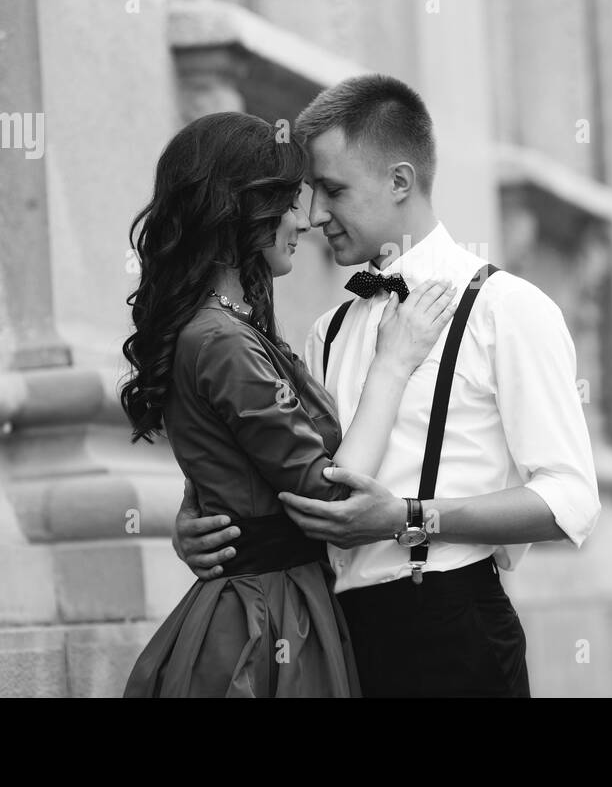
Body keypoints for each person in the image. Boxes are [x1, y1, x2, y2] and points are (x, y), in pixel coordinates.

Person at [174, 76, 602, 697]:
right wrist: (206, 524)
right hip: (332, 635)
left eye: (334, 190)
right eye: (311, 192)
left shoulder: (507, 309)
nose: (315, 215)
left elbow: (571, 501)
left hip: (449, 630)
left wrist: (406, 518)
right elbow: (296, 476)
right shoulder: (329, 328)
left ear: (400, 181)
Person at [119, 110, 457, 697]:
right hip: (265, 621)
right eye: (289, 199)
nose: (306, 219)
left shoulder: (232, 328)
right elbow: (331, 497)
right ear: (238, 210)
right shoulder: (222, 338)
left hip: (280, 603)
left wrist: (202, 505)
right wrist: (392, 365)